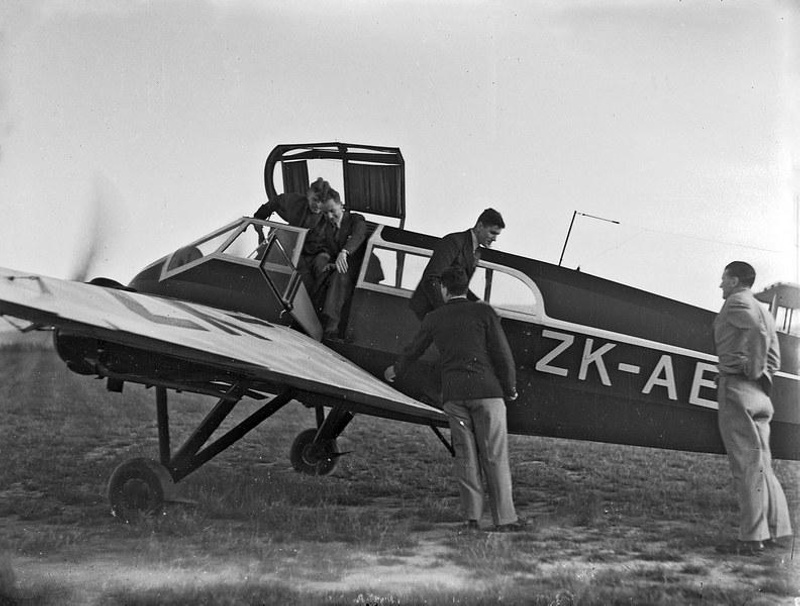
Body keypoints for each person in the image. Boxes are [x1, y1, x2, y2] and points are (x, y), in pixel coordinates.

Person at [386, 267, 524, 532]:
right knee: (494, 455)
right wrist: (510, 388)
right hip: (488, 394)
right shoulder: (484, 312)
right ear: (465, 287)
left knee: (466, 457)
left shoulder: (434, 317)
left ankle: (472, 519)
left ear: (444, 290)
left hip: (454, 397)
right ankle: (505, 520)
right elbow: (503, 355)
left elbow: (414, 349)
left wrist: (397, 369)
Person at [713, 261, 793, 555]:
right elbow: (771, 346)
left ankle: (751, 537)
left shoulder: (737, 303)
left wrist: (750, 370)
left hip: (737, 388)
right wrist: (764, 376)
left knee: (746, 465)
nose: (720, 284)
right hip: (760, 393)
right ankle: (780, 531)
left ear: (734, 281)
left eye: (724, 279)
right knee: (762, 465)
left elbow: (757, 334)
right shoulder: (763, 308)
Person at [409, 208, 505, 321]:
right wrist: (446, 313)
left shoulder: (476, 252)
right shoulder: (453, 242)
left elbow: (459, 286)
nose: (495, 239)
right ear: (480, 226)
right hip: (426, 311)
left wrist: (477, 302)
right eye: (492, 233)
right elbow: (431, 279)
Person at [252, 177, 332, 294]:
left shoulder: (329, 214)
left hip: (315, 252)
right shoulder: (295, 201)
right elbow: (277, 201)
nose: (318, 205)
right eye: (315, 200)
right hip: (293, 247)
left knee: (315, 275)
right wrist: (259, 217)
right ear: (308, 194)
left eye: (322, 202)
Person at [317, 191, 368, 339]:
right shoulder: (328, 228)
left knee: (340, 275)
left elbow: (359, 234)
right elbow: (328, 250)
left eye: (333, 211)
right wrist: (330, 263)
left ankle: (333, 326)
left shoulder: (355, 219)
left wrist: (344, 252)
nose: (330, 217)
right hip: (341, 267)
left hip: (362, 271)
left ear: (342, 206)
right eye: (326, 213)